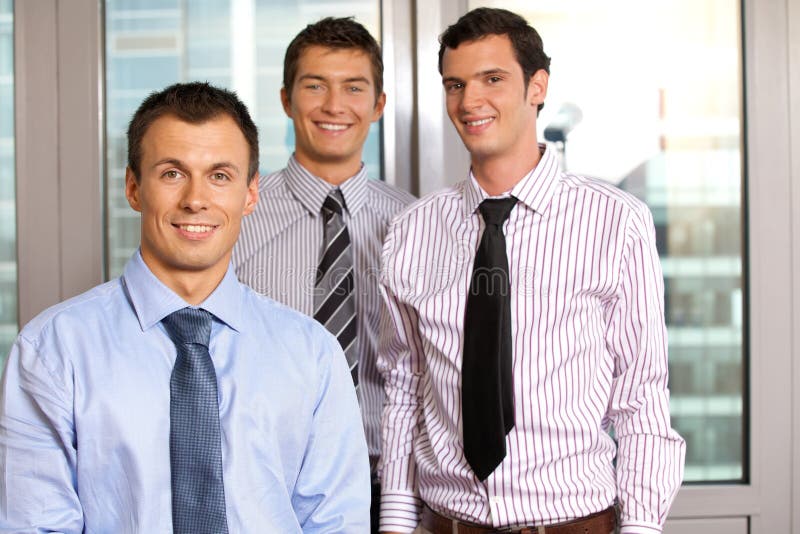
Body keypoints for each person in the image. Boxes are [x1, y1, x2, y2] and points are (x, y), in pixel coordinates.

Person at [0, 82, 370, 533]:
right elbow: (36, 525)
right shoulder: (53, 350)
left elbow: (335, 523)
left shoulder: (312, 353)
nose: (196, 199)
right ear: (134, 188)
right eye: (172, 173)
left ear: (250, 193)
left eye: (220, 176)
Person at [378, 8, 685, 534]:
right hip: (447, 525)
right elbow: (405, 387)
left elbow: (640, 397)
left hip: (574, 523)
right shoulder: (412, 231)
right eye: (456, 84)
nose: (470, 101)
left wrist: (640, 528)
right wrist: (395, 523)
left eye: (492, 79)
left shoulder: (615, 222)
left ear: (536, 86)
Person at [233, 17, 415, 532]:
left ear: (378, 105)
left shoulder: (415, 223)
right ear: (287, 99)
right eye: (316, 86)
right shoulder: (236, 214)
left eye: (353, 88)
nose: (334, 106)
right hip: (262, 480)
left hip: (389, 486)